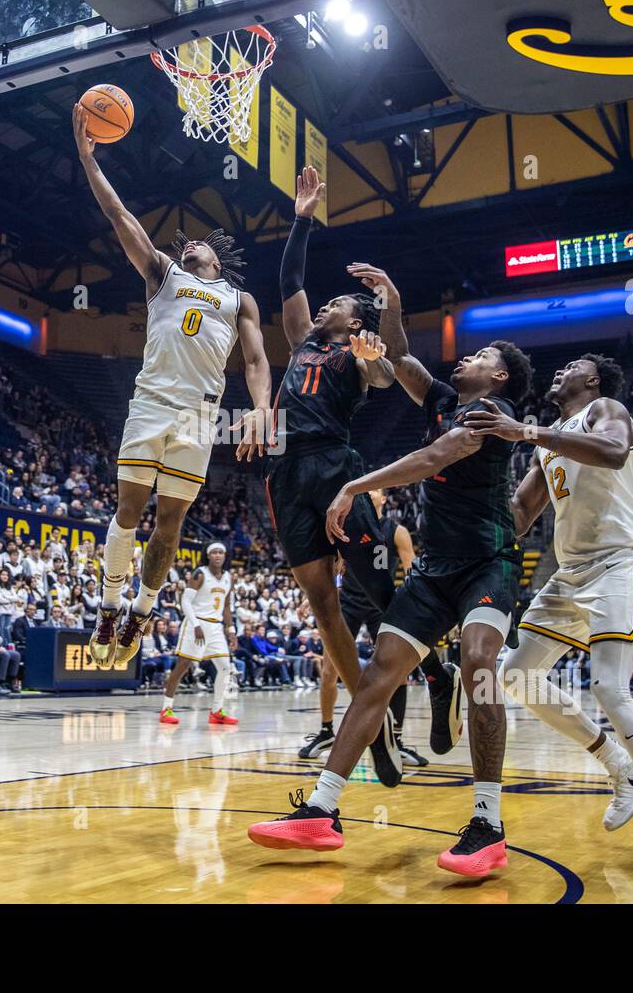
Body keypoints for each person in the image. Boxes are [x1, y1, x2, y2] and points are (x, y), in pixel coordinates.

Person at [249, 304, 532, 877]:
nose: (466, 358)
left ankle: (488, 824)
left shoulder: (491, 412)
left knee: (480, 660)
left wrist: (355, 482)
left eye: (479, 356)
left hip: (488, 563)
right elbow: (400, 357)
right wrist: (392, 297)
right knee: (379, 671)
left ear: (499, 377)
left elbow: (434, 458)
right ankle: (321, 810)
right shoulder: (445, 401)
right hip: (434, 567)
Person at [472, 353, 633, 875]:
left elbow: (611, 452)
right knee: (515, 676)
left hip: (619, 558)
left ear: (591, 380)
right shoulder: (547, 442)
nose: (558, 370)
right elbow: (518, 517)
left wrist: (525, 431)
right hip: (570, 572)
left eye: (570, 366)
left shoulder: (605, 410)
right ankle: (616, 763)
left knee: (610, 688)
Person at [265, 173, 459, 778]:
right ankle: (370, 728)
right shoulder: (301, 343)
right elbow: (289, 281)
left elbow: (381, 379)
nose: (325, 304)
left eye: (338, 303)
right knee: (325, 608)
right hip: (285, 476)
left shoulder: (361, 354)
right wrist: (302, 217)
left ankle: (434, 670)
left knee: (379, 594)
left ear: (357, 321)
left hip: (334, 468)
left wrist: (377, 359)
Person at [73, 103, 272, 668]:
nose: (189, 247)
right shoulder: (164, 274)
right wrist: (89, 161)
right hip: (154, 400)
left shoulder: (239, 300)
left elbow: (256, 360)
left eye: (198, 246)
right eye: (184, 245)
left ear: (218, 257)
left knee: (171, 523)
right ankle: (109, 606)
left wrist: (260, 409)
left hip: (200, 414)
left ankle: (142, 607)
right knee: (128, 512)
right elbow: (120, 218)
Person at [301, 487, 430, 765]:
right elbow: (333, 567)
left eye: (375, 490)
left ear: (384, 499)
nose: (369, 492)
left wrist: (414, 607)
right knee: (328, 670)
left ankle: (397, 739)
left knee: (398, 672)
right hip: (348, 601)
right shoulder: (348, 525)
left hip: (382, 604)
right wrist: (309, 596)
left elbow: (411, 570)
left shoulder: (396, 531)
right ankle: (326, 731)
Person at [159, 543, 238, 725]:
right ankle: (166, 708)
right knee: (183, 665)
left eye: (221, 552)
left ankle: (217, 710)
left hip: (216, 627)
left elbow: (226, 606)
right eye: (214, 552)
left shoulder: (228, 577)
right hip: (197, 623)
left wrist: (231, 630)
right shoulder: (200, 574)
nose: (218, 555)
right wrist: (195, 624)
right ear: (208, 556)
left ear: (225, 555)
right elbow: (185, 601)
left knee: (226, 667)